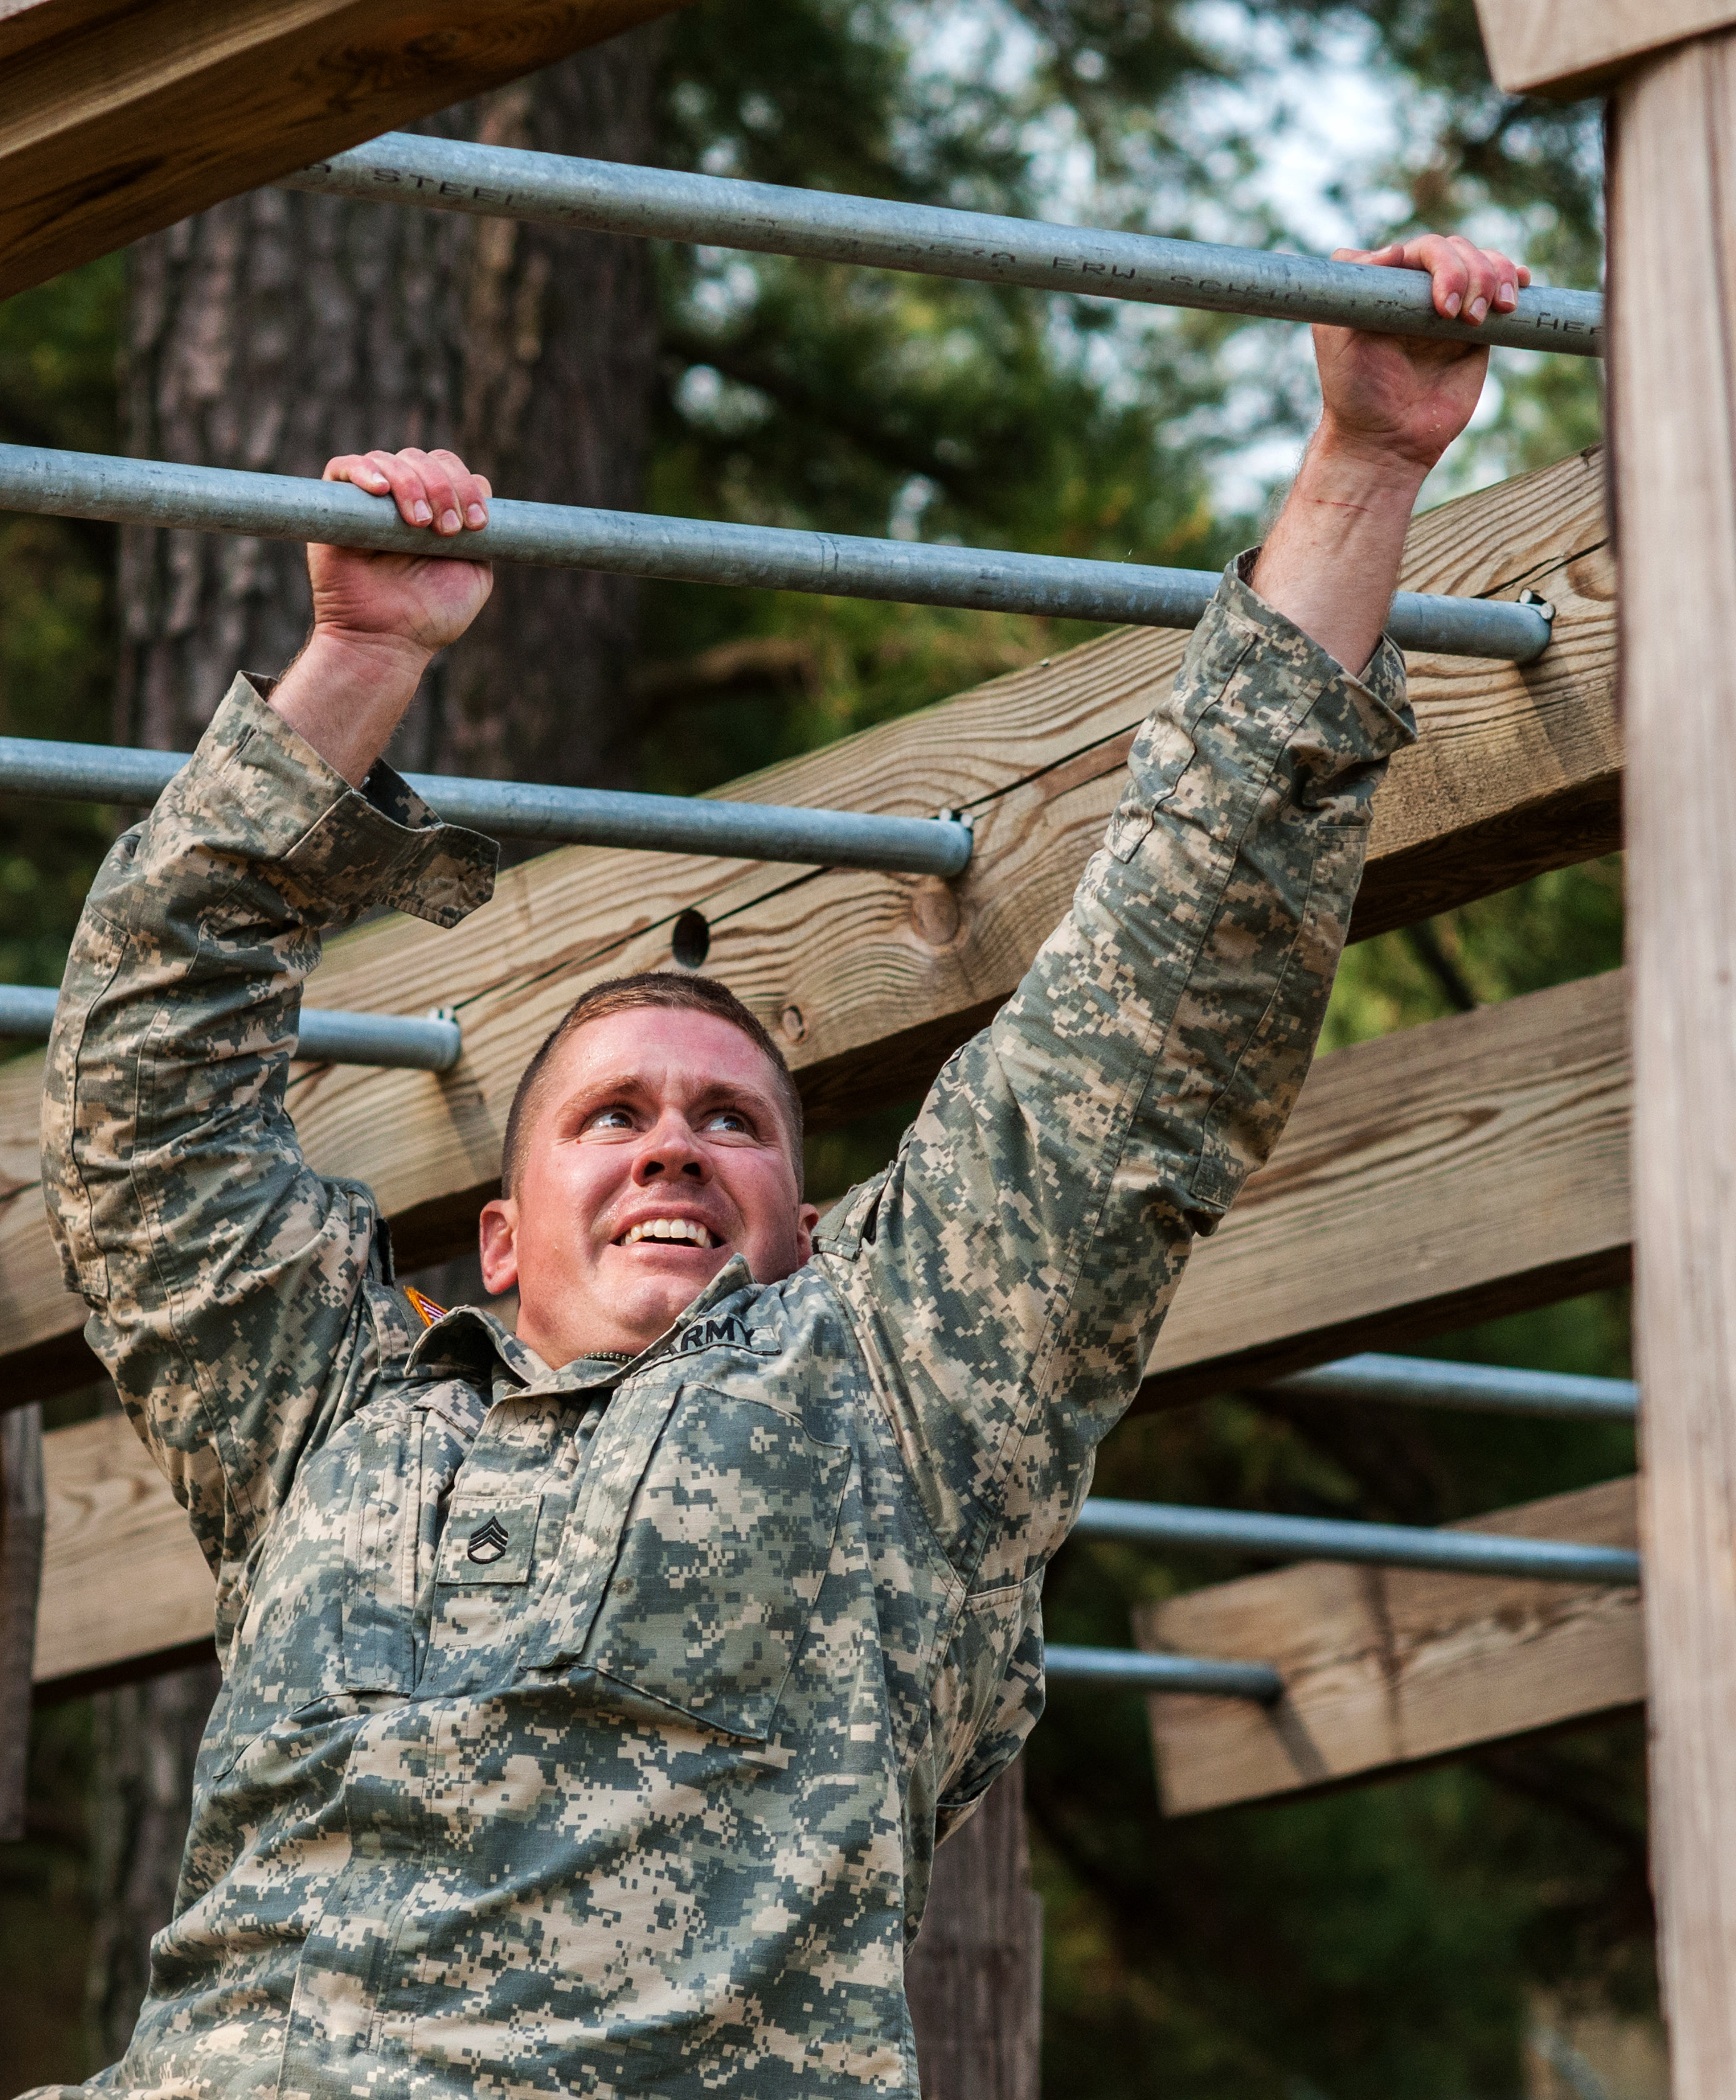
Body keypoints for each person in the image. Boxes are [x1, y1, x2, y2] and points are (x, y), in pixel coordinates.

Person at [28, 231, 1525, 2100]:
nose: (675, 1142)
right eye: (614, 1115)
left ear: (805, 1229)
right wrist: (356, 657)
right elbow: (137, 1108)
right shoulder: (326, 1419)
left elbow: (1168, 983)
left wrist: (1361, 467)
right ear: (495, 1236)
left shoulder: (894, 1395)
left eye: (730, 1120)